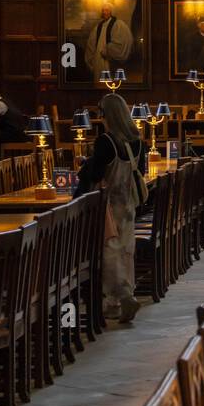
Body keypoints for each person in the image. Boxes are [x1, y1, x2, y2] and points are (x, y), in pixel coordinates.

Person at [75, 92, 148, 323]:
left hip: (107, 203)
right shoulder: (137, 141)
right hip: (129, 201)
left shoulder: (106, 141)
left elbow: (96, 173)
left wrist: (85, 165)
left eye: (101, 113)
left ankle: (122, 297)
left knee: (109, 250)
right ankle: (117, 300)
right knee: (126, 249)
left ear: (108, 114)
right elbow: (142, 171)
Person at [84, 1, 133, 79]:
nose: (104, 12)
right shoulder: (99, 26)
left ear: (111, 12)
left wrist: (108, 49)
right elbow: (91, 41)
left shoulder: (118, 24)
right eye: (103, 10)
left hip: (109, 57)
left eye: (107, 10)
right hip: (98, 55)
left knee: (110, 77)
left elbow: (122, 40)